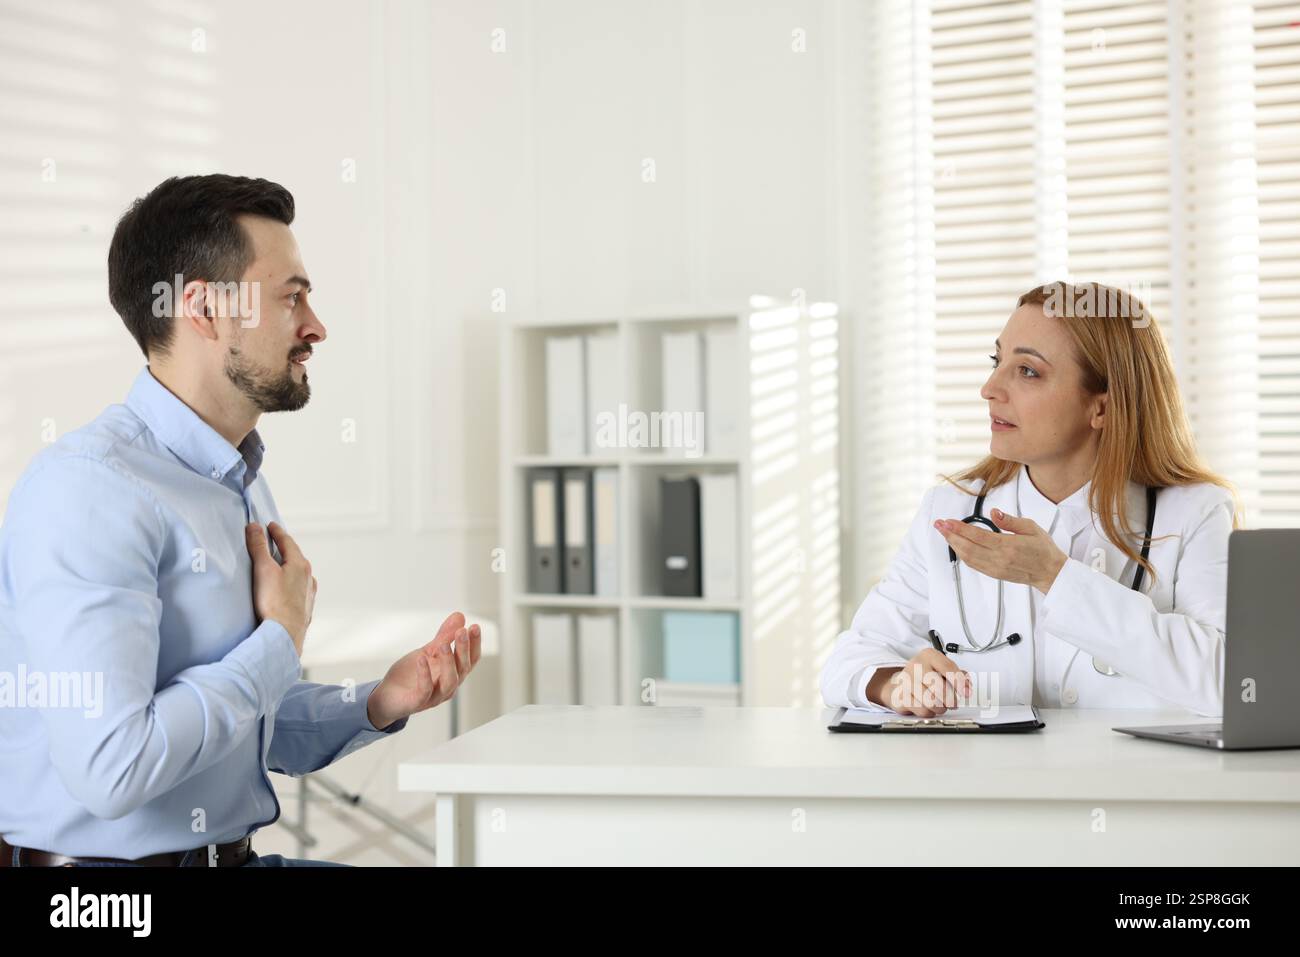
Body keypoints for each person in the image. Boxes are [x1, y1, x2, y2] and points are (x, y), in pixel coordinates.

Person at [0, 174, 481, 867]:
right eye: (292, 296)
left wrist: (377, 699)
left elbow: (239, 720)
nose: (315, 325)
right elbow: (114, 767)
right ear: (204, 308)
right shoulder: (88, 491)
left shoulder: (237, 482)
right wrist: (279, 637)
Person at [821, 281, 1239, 719]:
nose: (989, 388)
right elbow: (848, 659)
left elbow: (1230, 681)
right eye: (997, 361)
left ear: (1103, 408)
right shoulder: (949, 512)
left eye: (1027, 371)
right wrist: (895, 684)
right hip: (990, 784)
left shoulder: (1196, 512)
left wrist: (1056, 577)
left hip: (1134, 786)